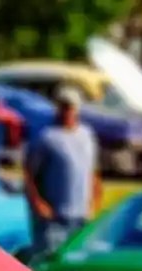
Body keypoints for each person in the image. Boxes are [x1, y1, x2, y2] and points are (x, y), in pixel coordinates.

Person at [24, 86, 100, 261]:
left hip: (82, 217)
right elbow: (30, 174)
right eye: (63, 106)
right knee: (48, 262)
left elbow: (92, 171)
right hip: (55, 219)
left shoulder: (87, 135)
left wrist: (94, 201)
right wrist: (38, 204)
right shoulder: (46, 137)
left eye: (70, 107)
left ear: (77, 109)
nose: (67, 111)